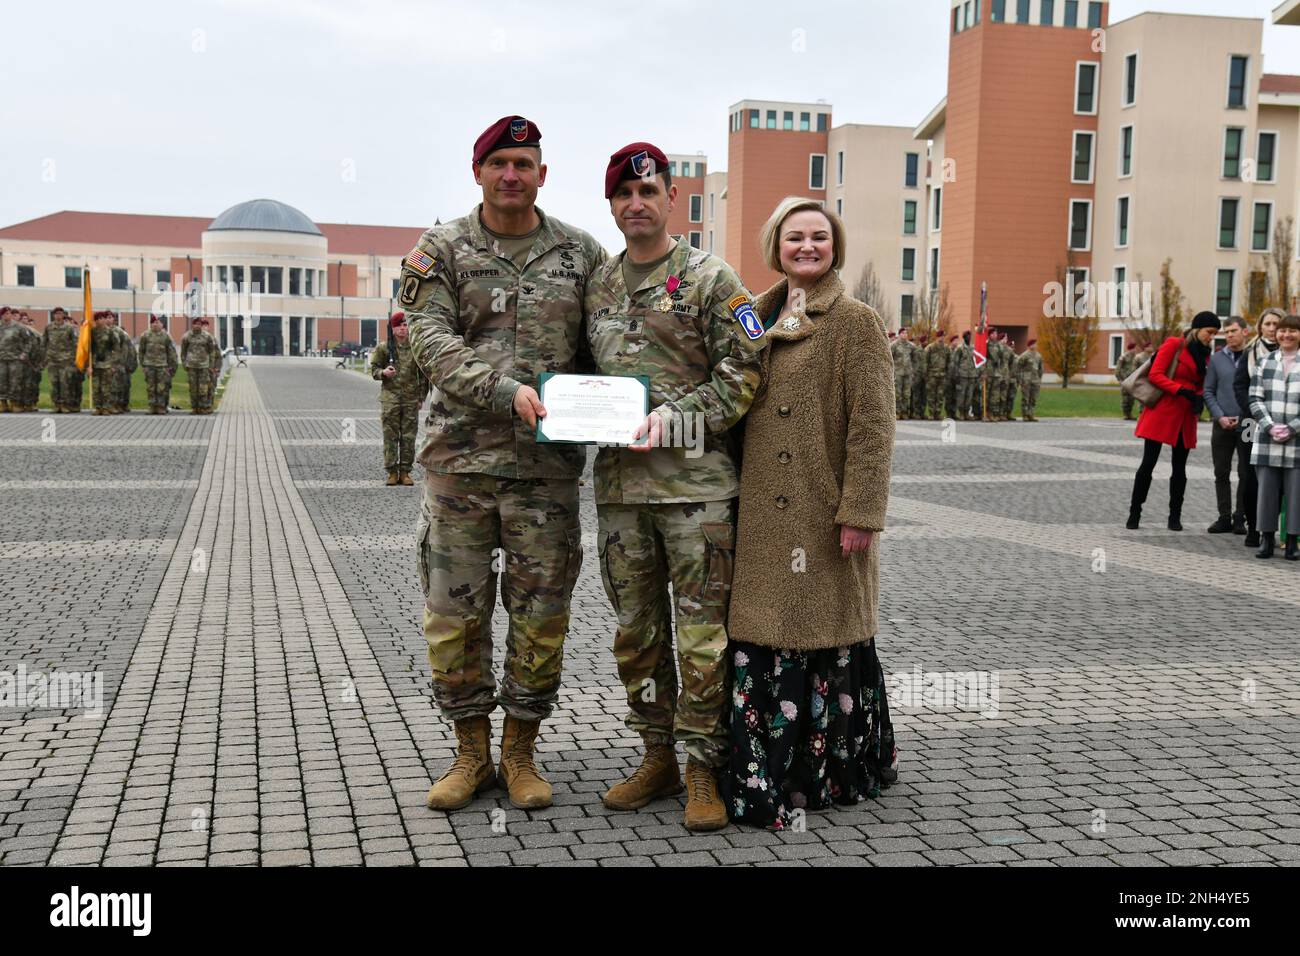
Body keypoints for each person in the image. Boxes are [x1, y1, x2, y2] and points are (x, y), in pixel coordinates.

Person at [400, 116, 606, 813]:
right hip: (459, 467)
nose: (511, 174)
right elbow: (427, 339)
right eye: (499, 163)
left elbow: (610, 346)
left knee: (542, 611)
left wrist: (639, 403)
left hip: (546, 472)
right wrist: (503, 390)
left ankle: (519, 751)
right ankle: (469, 752)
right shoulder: (442, 250)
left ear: (542, 174)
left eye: (524, 163)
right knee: (454, 614)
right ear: (478, 172)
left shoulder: (581, 255)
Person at [584, 142, 764, 832]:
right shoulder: (598, 284)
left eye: (649, 192)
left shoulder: (710, 278)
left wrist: (677, 421)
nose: (637, 204)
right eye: (624, 195)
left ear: (670, 199)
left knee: (701, 639)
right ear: (612, 205)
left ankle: (702, 768)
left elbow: (745, 369)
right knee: (637, 635)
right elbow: (577, 376)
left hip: (697, 493)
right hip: (623, 495)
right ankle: (655, 753)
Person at [726, 196, 896, 829]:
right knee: (762, 634)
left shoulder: (855, 322)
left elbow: (873, 426)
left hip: (824, 518)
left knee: (817, 633)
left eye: (819, 237)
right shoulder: (751, 318)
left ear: (835, 246)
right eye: (794, 237)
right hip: (760, 517)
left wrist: (861, 511)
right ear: (776, 245)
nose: (806, 246)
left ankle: (815, 774)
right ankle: (755, 772)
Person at [1125, 312, 1221, 530]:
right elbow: (1156, 374)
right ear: (1197, 329)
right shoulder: (1174, 344)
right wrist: (1181, 390)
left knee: (1180, 468)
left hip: (1185, 414)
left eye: (1215, 334)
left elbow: (1201, 381)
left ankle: (1174, 516)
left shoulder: (1205, 354)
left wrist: (1197, 395)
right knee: (1148, 463)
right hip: (1162, 410)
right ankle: (1135, 512)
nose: (1211, 337)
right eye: (1209, 332)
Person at [1246, 314, 1300, 559]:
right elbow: (1254, 398)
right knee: (1266, 493)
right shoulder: (1265, 362)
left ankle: (1291, 542)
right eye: (1283, 330)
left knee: (1296, 494)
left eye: (1293, 331)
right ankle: (1266, 539)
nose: (1286, 335)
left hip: (1297, 441)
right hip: (1267, 439)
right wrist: (1269, 426)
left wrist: (1292, 428)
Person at [1233, 308, 1284, 548]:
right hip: (1250, 422)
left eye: (1277, 324)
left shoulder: (1291, 355)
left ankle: (1271, 528)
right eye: (1268, 324)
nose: (1272, 329)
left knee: (1278, 477)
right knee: (1249, 475)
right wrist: (1256, 412)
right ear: (1260, 327)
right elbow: (1240, 385)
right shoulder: (1249, 353)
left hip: (1282, 424)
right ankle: (1253, 527)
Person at [369, 311, 429, 485]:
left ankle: (405, 472)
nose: (403, 329)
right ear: (393, 329)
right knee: (390, 436)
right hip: (390, 399)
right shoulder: (384, 348)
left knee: (409, 437)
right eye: (399, 326)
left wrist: (421, 397)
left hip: (411, 399)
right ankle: (392, 472)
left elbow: (423, 375)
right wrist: (384, 373)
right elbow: (374, 371)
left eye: (405, 325)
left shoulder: (416, 347)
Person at [1203, 317, 1250, 534]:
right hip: (1221, 423)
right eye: (1227, 332)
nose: (1229, 335)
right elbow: (1208, 391)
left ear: (1245, 332)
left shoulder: (1254, 357)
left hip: (1248, 422)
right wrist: (1219, 415)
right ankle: (1224, 517)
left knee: (1246, 472)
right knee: (1221, 471)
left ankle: (1241, 517)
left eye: (1234, 331)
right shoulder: (1216, 359)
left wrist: (1242, 416)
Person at [138, 315, 178, 415]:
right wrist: (143, 365)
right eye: (153, 322)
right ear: (150, 324)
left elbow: (171, 352)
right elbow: (141, 351)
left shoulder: (166, 336)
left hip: (162, 366)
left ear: (162, 324)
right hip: (149, 365)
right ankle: (152, 407)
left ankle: (161, 407)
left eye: (158, 322)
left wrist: (171, 367)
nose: (155, 324)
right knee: (151, 388)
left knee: (161, 388)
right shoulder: (145, 335)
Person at [180, 317, 220, 414]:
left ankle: (203, 408)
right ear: (192, 325)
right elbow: (183, 351)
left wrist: (211, 365)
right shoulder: (187, 336)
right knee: (193, 389)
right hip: (192, 366)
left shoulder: (207, 336)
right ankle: (195, 408)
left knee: (203, 388)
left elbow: (212, 351)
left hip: (204, 366)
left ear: (201, 325)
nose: (197, 326)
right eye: (195, 324)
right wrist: (184, 363)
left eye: (199, 324)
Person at [44, 307, 80, 413]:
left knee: (65, 383)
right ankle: (56, 405)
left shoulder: (69, 328)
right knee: (54, 383)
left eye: (60, 313)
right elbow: (44, 342)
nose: (58, 316)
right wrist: (45, 356)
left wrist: (73, 358)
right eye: (56, 314)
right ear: (53, 315)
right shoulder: (48, 327)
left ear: (63, 315)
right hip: (52, 360)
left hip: (66, 360)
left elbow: (75, 343)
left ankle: (64, 404)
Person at [90, 311, 122, 415]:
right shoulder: (91, 332)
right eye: (98, 319)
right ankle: (98, 407)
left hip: (107, 364)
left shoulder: (111, 332)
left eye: (102, 318)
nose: (100, 320)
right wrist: (88, 365)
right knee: (96, 387)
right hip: (95, 364)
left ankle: (106, 407)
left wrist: (113, 363)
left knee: (106, 387)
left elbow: (117, 348)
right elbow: (88, 349)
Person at [1015, 338, 1043, 421]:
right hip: (1026, 379)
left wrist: (1039, 378)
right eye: (1033, 344)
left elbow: (1041, 368)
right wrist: (1020, 377)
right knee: (1026, 398)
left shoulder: (1038, 356)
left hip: (1035, 380)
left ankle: (1031, 414)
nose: (1035, 346)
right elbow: (1018, 366)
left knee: (1033, 398)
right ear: (1029, 345)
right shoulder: (1024, 355)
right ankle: (1025, 415)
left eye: (1035, 344)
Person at [113, 316, 137, 414]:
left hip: (123, 364)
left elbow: (131, 351)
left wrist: (130, 365)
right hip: (112, 364)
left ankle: (122, 404)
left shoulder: (124, 335)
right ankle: (113, 405)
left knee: (123, 386)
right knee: (113, 386)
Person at [1114, 342, 1144, 420]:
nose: (1135, 350)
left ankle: (1129, 414)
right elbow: (1118, 369)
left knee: (1132, 398)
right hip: (1125, 380)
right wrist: (1120, 380)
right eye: (1134, 348)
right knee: (1125, 398)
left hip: (1132, 380)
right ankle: (1126, 414)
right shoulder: (1123, 357)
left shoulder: (1136, 357)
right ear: (1130, 349)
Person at [954, 331, 979, 421]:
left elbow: (976, 361)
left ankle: (966, 412)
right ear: (964, 337)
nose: (969, 338)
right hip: (963, 375)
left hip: (972, 375)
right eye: (967, 336)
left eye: (970, 336)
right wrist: (956, 374)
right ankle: (961, 413)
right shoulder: (960, 348)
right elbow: (956, 362)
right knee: (962, 395)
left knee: (969, 395)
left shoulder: (973, 348)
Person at [924, 330, 949, 420]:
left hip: (942, 375)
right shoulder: (930, 348)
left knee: (940, 395)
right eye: (940, 336)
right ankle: (931, 413)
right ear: (937, 337)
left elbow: (948, 362)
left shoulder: (946, 348)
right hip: (932, 375)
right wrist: (926, 374)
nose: (942, 338)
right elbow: (925, 362)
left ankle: (938, 413)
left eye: (943, 336)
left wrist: (947, 373)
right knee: (931, 395)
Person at [890, 327, 913, 419]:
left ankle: (905, 412)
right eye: (903, 333)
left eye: (906, 333)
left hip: (907, 373)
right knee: (898, 394)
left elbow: (914, 358)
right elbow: (889, 359)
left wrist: (913, 370)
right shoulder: (894, 345)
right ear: (899, 334)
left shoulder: (911, 346)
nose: (905, 335)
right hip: (898, 373)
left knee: (906, 394)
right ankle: (897, 412)